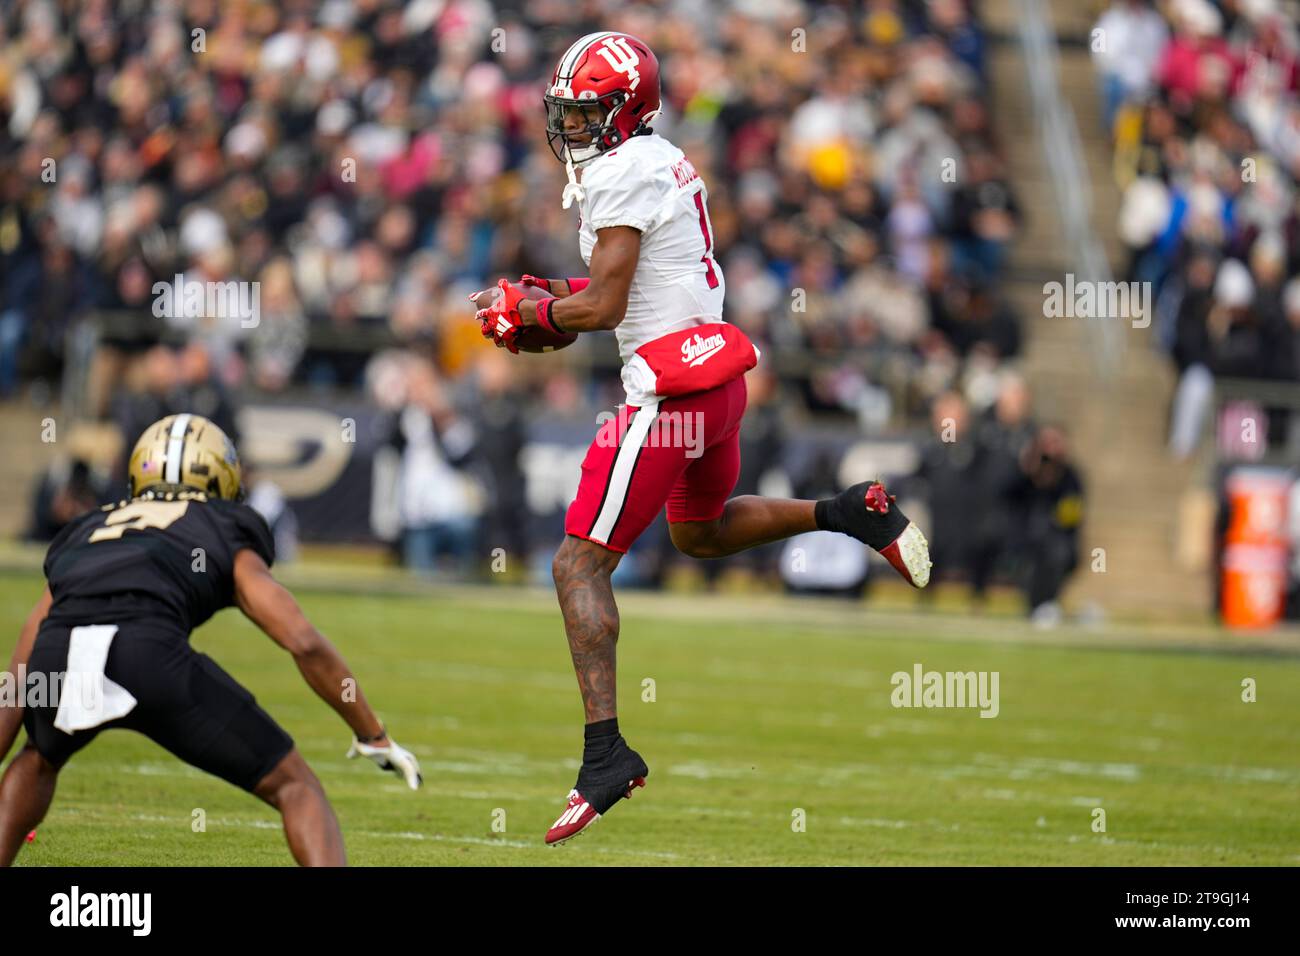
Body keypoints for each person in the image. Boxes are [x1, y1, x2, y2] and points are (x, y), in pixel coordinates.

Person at [473, 32, 932, 845]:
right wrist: (551, 297)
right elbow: (646, 284)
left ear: (625, 112)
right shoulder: (658, 160)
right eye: (568, 114)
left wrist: (535, 313)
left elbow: (609, 307)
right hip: (717, 385)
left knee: (578, 562)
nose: (571, 128)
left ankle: (605, 754)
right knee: (701, 533)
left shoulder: (621, 171)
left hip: (669, 395)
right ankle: (847, 514)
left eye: (585, 114)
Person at [0, 414, 421, 866]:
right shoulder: (220, 524)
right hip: (147, 654)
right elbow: (301, 638)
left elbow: (23, 665)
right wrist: (370, 731)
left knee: (38, 757)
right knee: (297, 786)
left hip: (58, 657)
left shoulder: (86, 530)